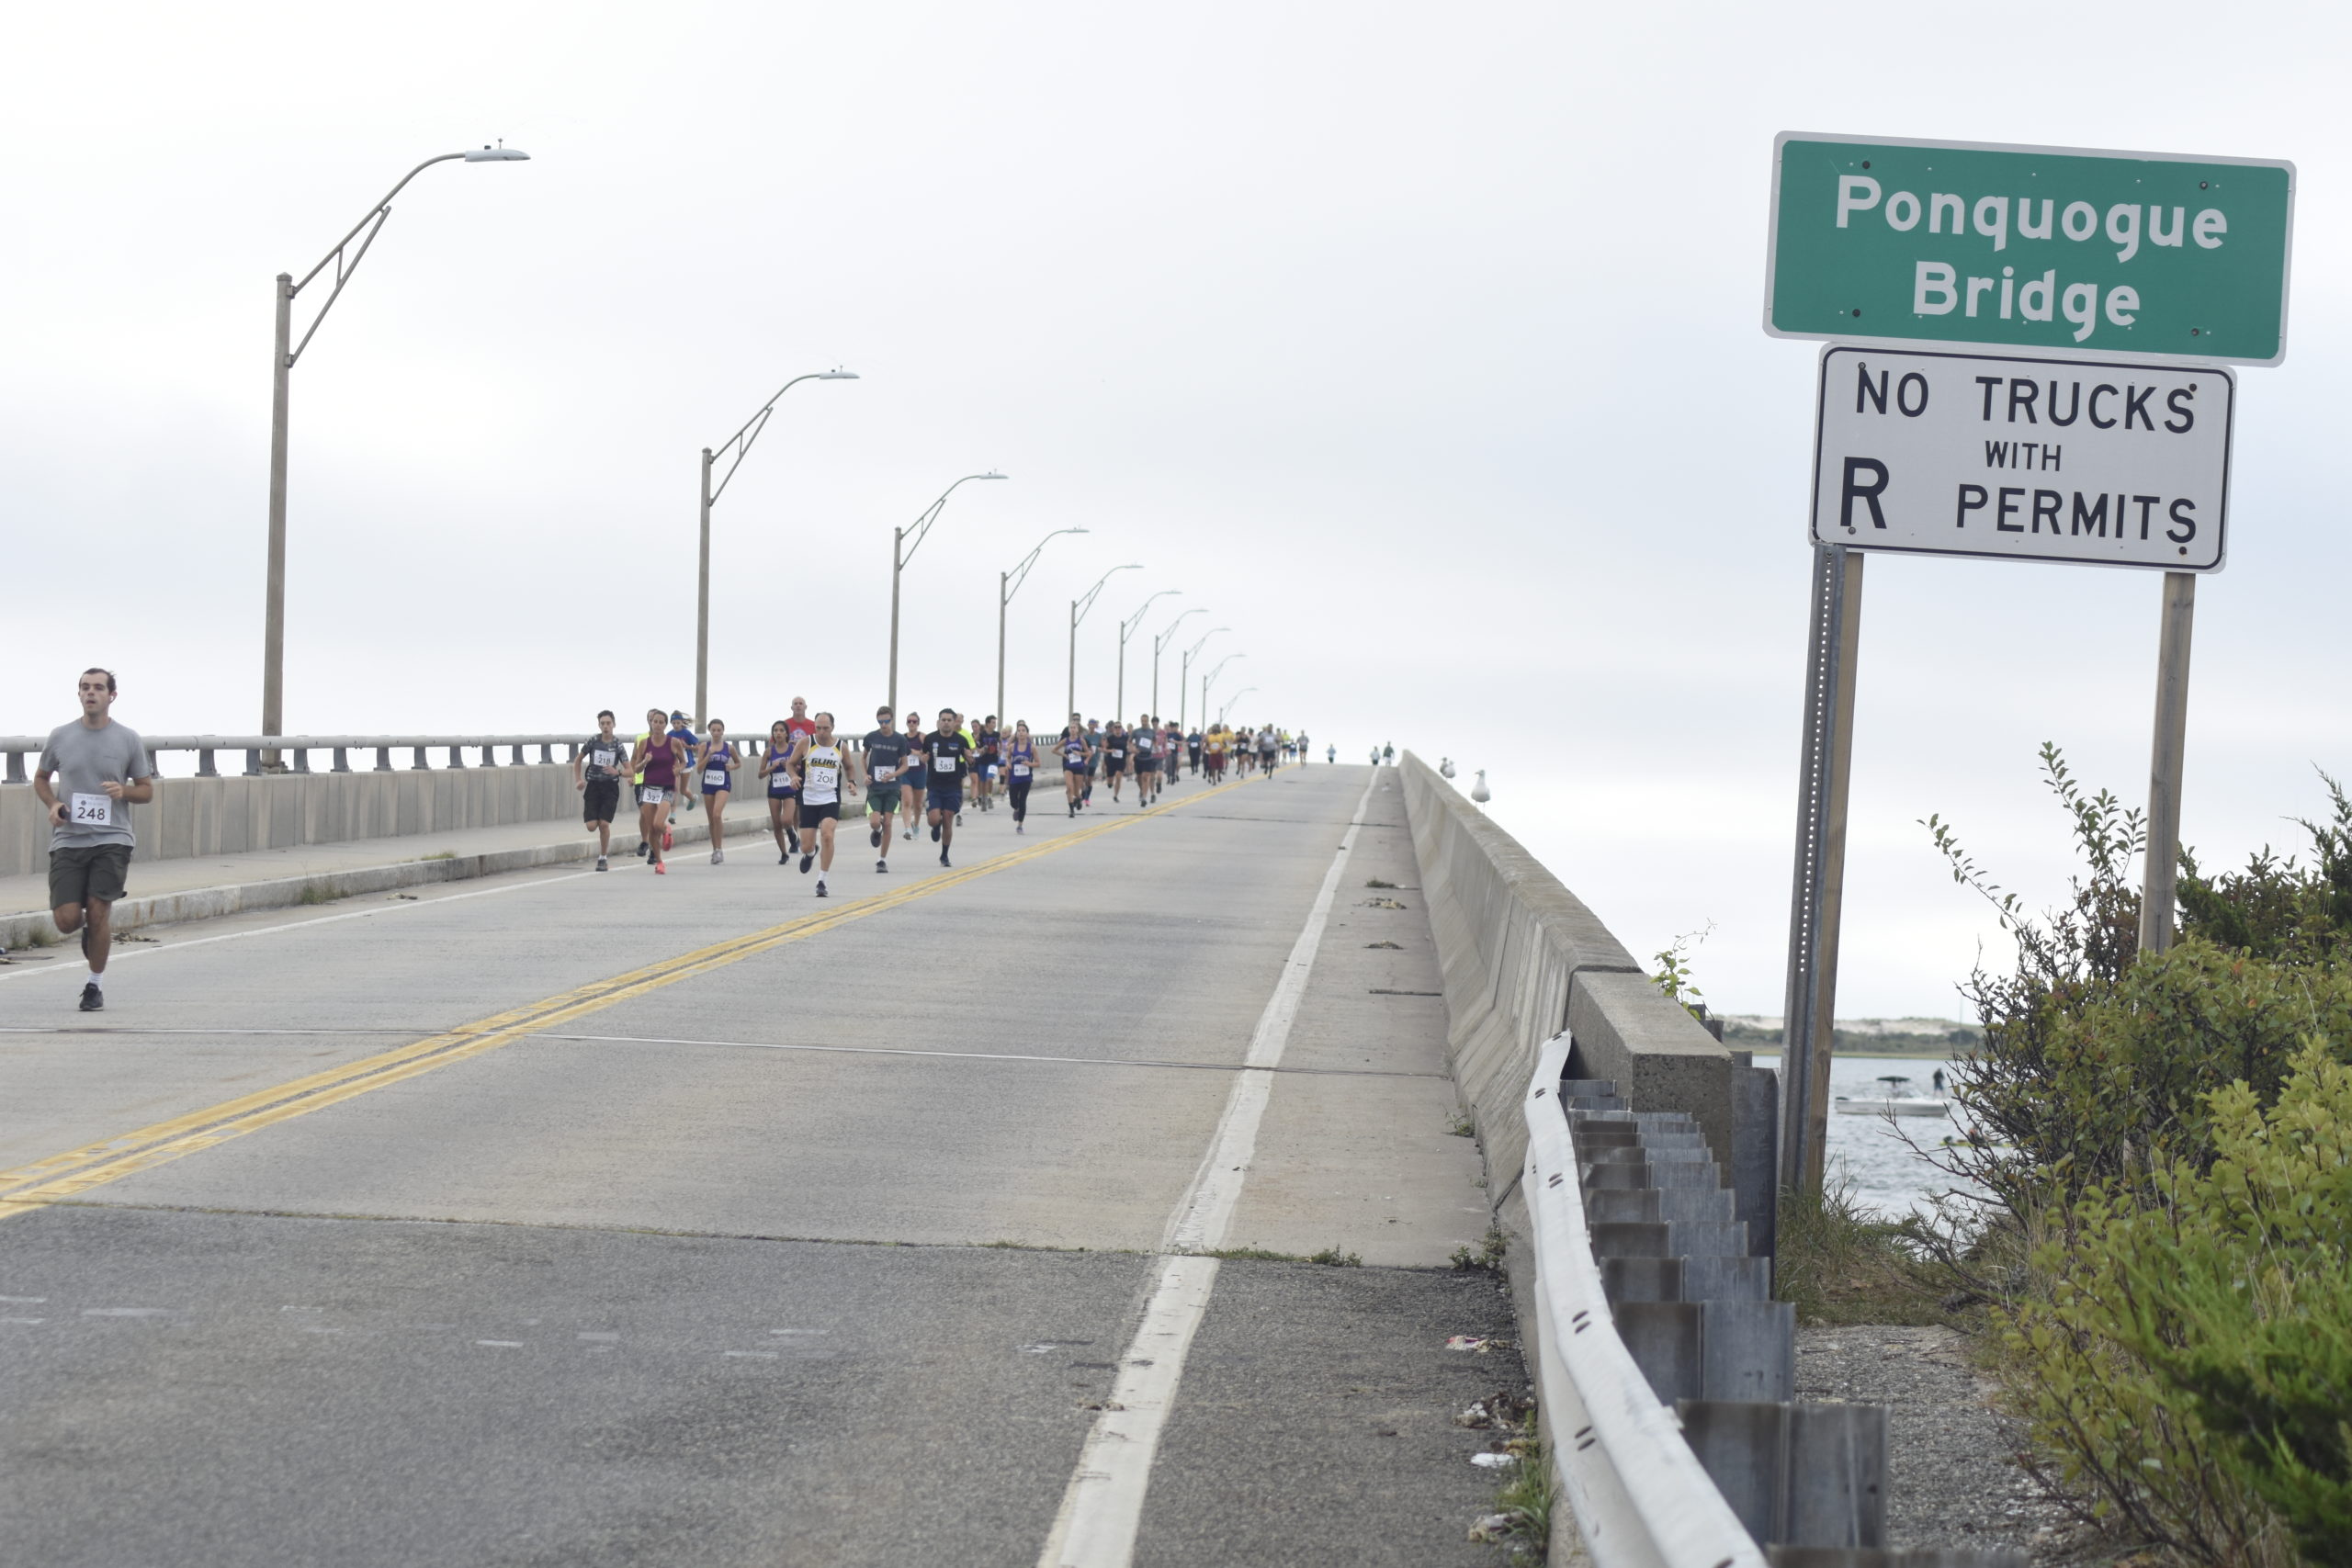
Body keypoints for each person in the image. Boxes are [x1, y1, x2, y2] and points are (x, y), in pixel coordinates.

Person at [34, 669, 153, 1012]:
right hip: (69, 840)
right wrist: (53, 803)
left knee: (99, 911)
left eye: (98, 688)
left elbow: (146, 791)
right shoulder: (61, 736)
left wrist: (124, 790)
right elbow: (41, 778)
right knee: (67, 920)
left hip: (112, 838)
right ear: (79, 694)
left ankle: (94, 986)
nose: (91, 693)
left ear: (111, 696)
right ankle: (90, 931)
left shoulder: (128, 739)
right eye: (85, 688)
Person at [788, 711, 859, 897]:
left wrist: (852, 782)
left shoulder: (840, 746)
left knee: (827, 834)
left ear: (832, 728)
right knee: (805, 845)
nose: (821, 732)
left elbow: (850, 766)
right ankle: (810, 854)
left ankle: (822, 880)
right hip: (808, 799)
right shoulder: (806, 743)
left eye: (825, 728)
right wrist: (794, 776)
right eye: (818, 728)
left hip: (830, 798)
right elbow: (790, 763)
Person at [630, 708, 687, 874]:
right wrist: (645, 761)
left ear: (665, 724)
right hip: (649, 788)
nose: (657, 725)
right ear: (651, 722)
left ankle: (667, 829)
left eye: (661, 722)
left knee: (657, 823)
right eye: (655, 721)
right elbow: (637, 769)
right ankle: (660, 862)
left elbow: (683, 762)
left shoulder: (673, 742)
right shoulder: (644, 743)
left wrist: (679, 769)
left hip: (667, 788)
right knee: (652, 830)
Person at [572, 708, 627, 870]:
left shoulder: (618, 745)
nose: (605, 726)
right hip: (593, 786)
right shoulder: (593, 741)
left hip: (610, 788)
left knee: (604, 824)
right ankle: (602, 853)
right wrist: (578, 780)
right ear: (599, 725)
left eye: (608, 723)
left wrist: (617, 772)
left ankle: (603, 858)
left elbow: (629, 769)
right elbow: (577, 760)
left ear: (614, 724)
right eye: (602, 723)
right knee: (591, 826)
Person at [861, 704, 909, 874]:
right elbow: (863, 757)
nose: (883, 724)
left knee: (888, 822)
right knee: (875, 822)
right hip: (875, 787)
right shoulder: (871, 737)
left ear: (892, 720)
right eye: (880, 721)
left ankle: (882, 860)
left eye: (886, 721)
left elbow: (905, 765)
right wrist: (865, 774)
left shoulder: (900, 740)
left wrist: (893, 774)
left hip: (892, 787)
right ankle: (877, 829)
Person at [923, 708, 971, 865]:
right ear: (938, 722)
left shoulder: (960, 740)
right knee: (934, 819)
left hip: (953, 787)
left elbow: (970, 760)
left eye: (949, 720)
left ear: (954, 722)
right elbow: (924, 757)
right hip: (935, 786)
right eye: (943, 720)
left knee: (948, 818)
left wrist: (971, 758)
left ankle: (944, 856)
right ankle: (935, 827)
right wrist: (923, 758)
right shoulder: (930, 739)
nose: (946, 723)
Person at [695, 719, 738, 863]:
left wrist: (731, 767)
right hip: (708, 783)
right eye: (713, 730)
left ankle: (720, 849)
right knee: (711, 819)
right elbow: (699, 769)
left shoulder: (729, 748)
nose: (716, 733)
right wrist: (708, 755)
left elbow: (738, 763)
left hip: (723, 783)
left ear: (723, 731)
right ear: (709, 731)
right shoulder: (703, 746)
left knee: (717, 814)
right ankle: (715, 850)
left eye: (719, 730)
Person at [760, 719, 802, 863]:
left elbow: (800, 768)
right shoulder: (769, 752)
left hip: (790, 788)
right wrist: (771, 768)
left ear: (786, 734)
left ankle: (792, 832)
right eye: (775, 730)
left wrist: (792, 767)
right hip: (774, 790)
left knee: (786, 819)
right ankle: (784, 853)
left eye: (781, 730)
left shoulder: (793, 749)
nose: (778, 733)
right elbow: (760, 774)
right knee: (777, 823)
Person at [898, 710, 926, 841]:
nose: (912, 723)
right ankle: (907, 828)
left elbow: (927, 755)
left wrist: (916, 753)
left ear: (918, 723)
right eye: (909, 721)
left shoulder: (922, 737)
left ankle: (916, 825)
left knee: (918, 804)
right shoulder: (902, 738)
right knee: (907, 801)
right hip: (906, 773)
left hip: (919, 773)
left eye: (914, 721)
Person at [1005, 721, 1037, 832]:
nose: (1021, 733)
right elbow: (1008, 758)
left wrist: (1030, 764)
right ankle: (1016, 808)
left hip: (1026, 778)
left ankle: (1020, 825)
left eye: (1023, 731)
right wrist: (1008, 763)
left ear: (1027, 733)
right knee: (1013, 801)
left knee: (1023, 800)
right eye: (1019, 731)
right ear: (1016, 734)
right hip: (1014, 777)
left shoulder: (1032, 748)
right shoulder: (1012, 747)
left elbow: (1038, 763)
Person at [667, 711, 701, 814]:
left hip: (687, 763)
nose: (676, 725)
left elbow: (697, 747)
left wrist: (687, 746)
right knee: (674, 789)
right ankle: (673, 814)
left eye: (678, 723)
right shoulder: (669, 735)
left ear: (682, 722)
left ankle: (692, 798)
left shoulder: (686, 733)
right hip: (675, 765)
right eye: (674, 723)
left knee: (683, 790)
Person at [1060, 716, 1091, 818]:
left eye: (1074, 728)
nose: (1073, 730)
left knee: (1077, 792)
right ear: (1069, 730)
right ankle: (1071, 809)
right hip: (1068, 766)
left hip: (1078, 767)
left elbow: (1088, 753)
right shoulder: (1066, 740)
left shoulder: (1081, 740)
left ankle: (1079, 799)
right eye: (1071, 728)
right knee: (1069, 787)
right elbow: (1054, 750)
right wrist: (1064, 755)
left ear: (1077, 730)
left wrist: (1080, 754)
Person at [1102, 719, 1129, 804]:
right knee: (1110, 780)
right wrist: (1110, 751)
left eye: (1119, 727)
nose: (1117, 729)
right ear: (1113, 729)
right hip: (1111, 761)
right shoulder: (1110, 738)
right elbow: (1104, 749)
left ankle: (1115, 795)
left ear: (1121, 728)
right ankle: (1109, 782)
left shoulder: (1126, 738)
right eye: (1116, 727)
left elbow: (1129, 747)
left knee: (1118, 777)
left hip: (1121, 761)